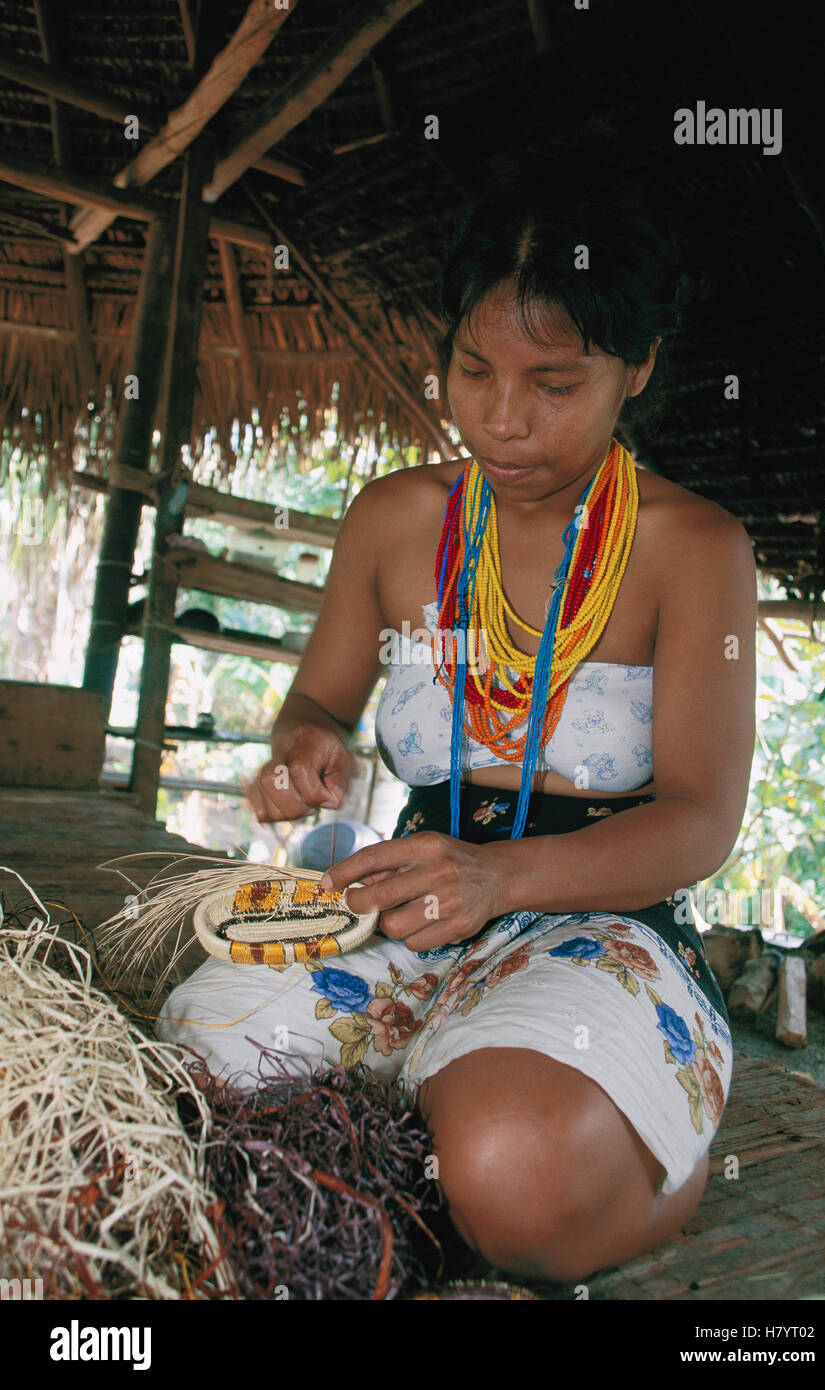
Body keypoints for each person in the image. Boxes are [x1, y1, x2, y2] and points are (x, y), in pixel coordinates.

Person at [158, 148, 756, 1285]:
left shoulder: (697, 550)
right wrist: (305, 741)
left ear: (637, 369)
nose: (503, 419)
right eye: (472, 370)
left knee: (513, 1170)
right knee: (194, 1065)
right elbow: (319, 697)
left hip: (599, 913)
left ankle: (645, 1124)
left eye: (554, 383)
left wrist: (504, 881)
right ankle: (430, 1102)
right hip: (397, 899)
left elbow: (697, 820)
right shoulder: (396, 519)